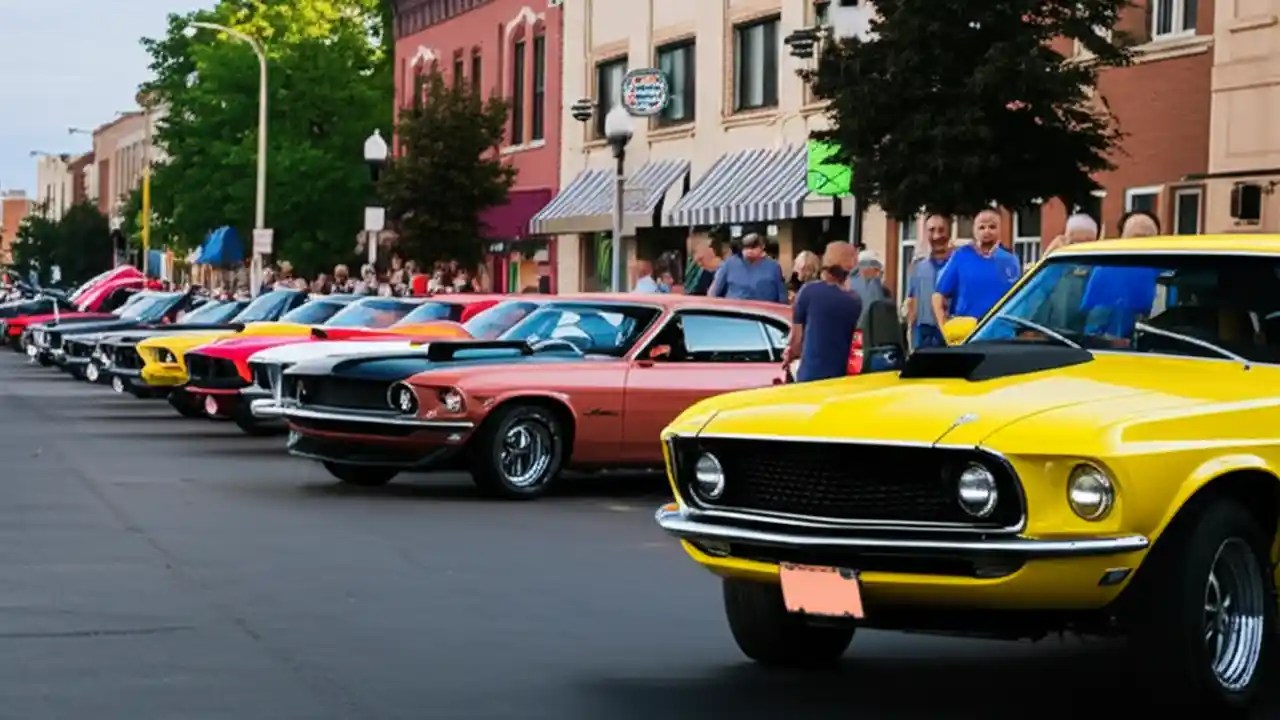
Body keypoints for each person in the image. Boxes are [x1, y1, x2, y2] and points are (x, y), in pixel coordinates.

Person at [784, 242, 862, 383]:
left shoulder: (808, 291)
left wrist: (789, 354)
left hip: (810, 377)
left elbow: (796, 341)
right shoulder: (855, 300)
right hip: (840, 377)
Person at [932, 209, 1021, 326]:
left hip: (1001, 330)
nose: (987, 231)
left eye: (992, 227)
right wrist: (944, 326)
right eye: (982, 227)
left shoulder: (1010, 260)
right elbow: (938, 296)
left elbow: (1020, 299)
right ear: (974, 230)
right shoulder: (961, 256)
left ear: (1000, 229)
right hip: (967, 332)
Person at [905, 213, 953, 349]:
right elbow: (912, 305)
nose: (937, 236)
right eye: (932, 230)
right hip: (924, 336)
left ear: (949, 233)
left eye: (941, 230)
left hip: (950, 332)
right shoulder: (918, 267)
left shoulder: (958, 265)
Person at [709, 233, 787, 303]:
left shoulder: (773, 267)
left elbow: (782, 297)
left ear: (762, 246)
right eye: (746, 247)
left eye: (753, 247)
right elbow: (714, 293)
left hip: (764, 314)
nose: (749, 250)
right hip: (735, 313)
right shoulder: (728, 264)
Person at [848, 249, 890, 328]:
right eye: (876, 269)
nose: (879, 274)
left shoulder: (848, 281)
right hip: (867, 331)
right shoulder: (873, 284)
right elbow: (878, 309)